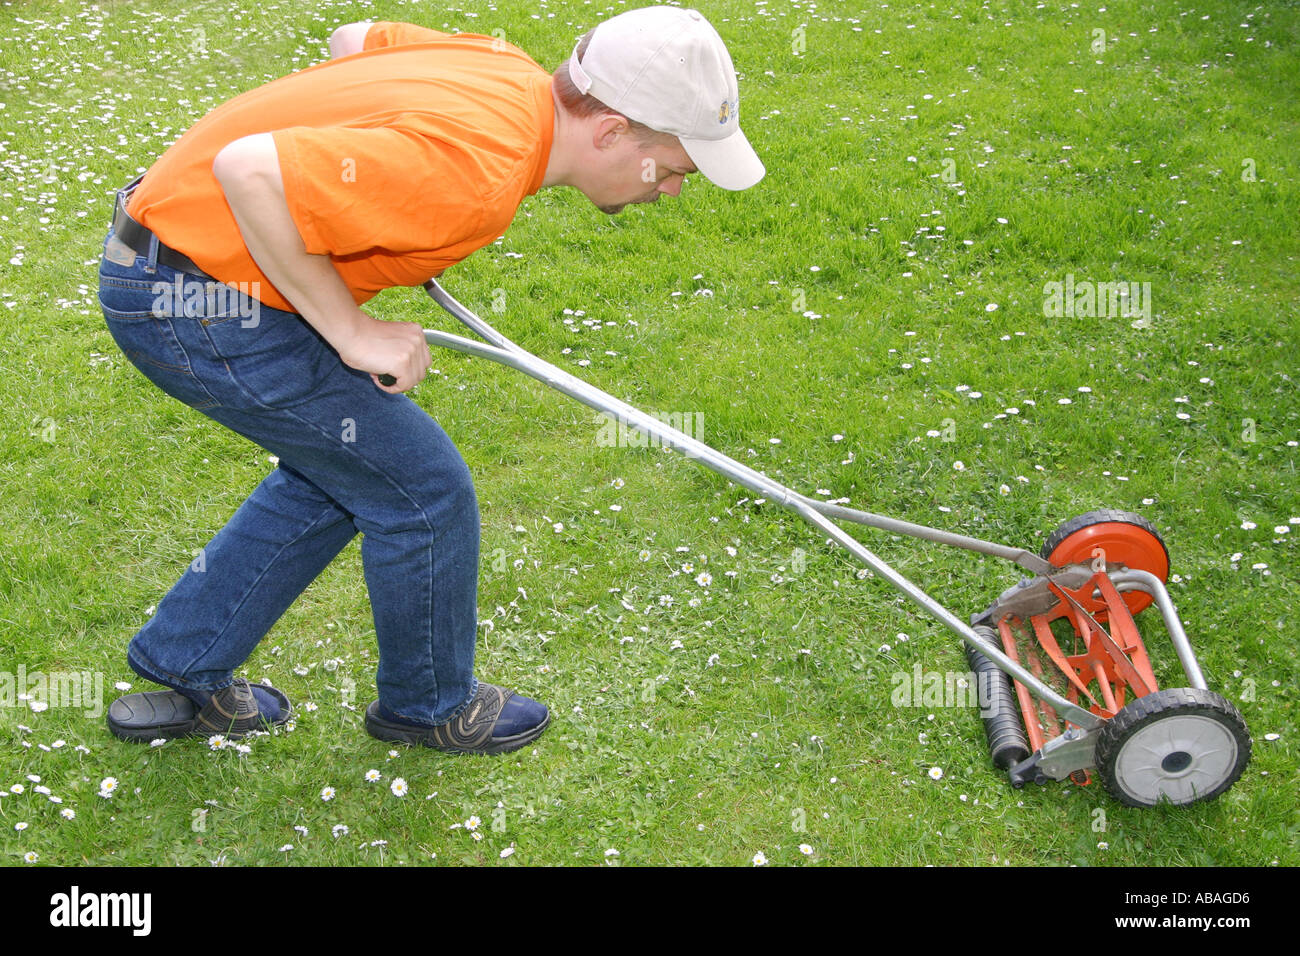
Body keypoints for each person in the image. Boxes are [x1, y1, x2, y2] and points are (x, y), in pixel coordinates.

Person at [99, 6, 763, 755]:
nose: (671, 190)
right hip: (194, 303)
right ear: (610, 132)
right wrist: (351, 331)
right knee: (422, 492)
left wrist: (378, 192)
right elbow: (248, 170)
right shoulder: (479, 172)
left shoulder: (508, 74)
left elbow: (355, 42)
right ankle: (428, 706)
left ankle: (187, 662)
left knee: (353, 468)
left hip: (182, 265)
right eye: (672, 168)